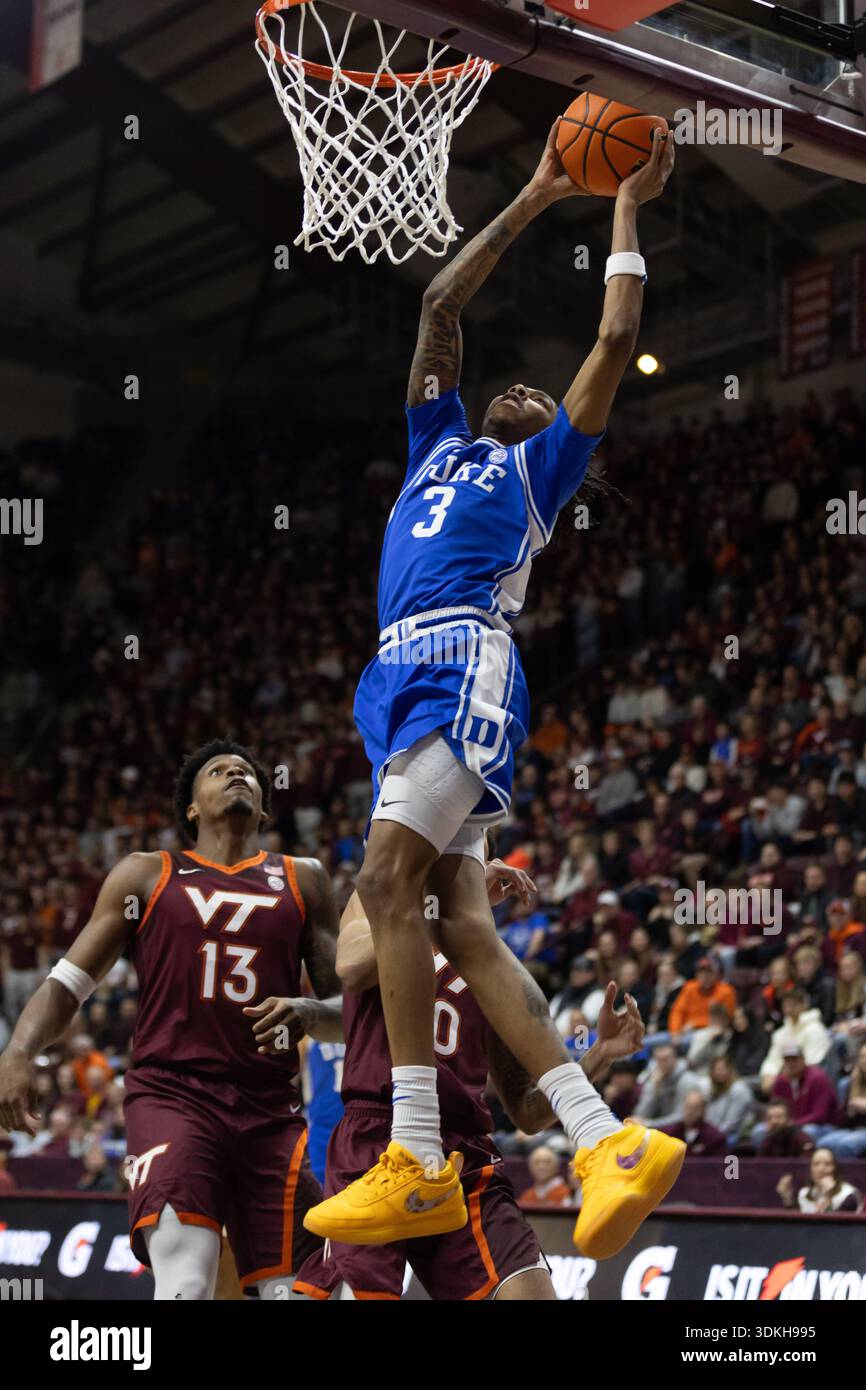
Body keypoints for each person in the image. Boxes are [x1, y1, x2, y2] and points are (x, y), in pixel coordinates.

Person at [307, 120, 682, 1252]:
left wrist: (620, 198)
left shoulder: (535, 472)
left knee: (382, 877)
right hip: (396, 676)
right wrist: (531, 189)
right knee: (456, 915)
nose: (517, 384)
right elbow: (437, 309)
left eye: (532, 390)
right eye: (505, 382)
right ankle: (600, 1134)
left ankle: (415, 1153)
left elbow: (614, 336)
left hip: (456, 654)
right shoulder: (434, 441)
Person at [0, 739, 340, 1301]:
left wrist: (309, 1010)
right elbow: (68, 982)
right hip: (173, 1096)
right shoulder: (146, 875)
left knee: (292, 1292)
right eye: (218, 770)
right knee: (186, 1276)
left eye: (247, 773)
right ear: (191, 807)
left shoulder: (304, 879)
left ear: (262, 807)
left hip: (270, 1110)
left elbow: (350, 1014)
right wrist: (17, 1052)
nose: (236, 774)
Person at [284, 861, 647, 1300]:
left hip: (464, 1150)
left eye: (478, 848)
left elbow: (528, 1111)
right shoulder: (377, 895)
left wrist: (600, 1054)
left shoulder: (491, 961)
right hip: (377, 1138)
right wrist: (436, 906)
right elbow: (353, 968)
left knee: (530, 1293)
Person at [760, 988, 831, 1089]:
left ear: (804, 1005)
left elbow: (813, 1063)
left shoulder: (815, 1029)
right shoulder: (781, 1032)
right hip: (780, 1079)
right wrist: (768, 1074)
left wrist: (784, 1077)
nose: (788, 1010)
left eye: (793, 1005)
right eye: (785, 1006)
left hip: (807, 1083)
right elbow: (773, 1059)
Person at [632, 1042, 705, 1129]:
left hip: (684, 1130)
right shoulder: (656, 1078)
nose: (662, 1064)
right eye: (659, 1060)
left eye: (665, 1059)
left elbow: (682, 1116)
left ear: (675, 1059)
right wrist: (653, 1088)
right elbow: (641, 1113)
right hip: (662, 1128)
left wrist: (649, 1124)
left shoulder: (687, 1081)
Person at [777, 1147, 862, 1213]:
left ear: (836, 1169)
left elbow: (836, 1229)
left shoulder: (848, 1195)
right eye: (816, 1164)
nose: (821, 1169)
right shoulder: (805, 1193)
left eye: (827, 1164)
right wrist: (787, 1200)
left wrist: (829, 1197)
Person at [668, 957, 735, 1039]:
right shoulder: (689, 988)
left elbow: (727, 1018)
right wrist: (675, 1031)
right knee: (651, 1041)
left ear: (716, 974)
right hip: (687, 1031)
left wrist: (696, 1023)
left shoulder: (725, 991)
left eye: (709, 972)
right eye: (702, 973)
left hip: (713, 1032)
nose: (705, 976)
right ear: (696, 975)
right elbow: (677, 1011)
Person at [821, 1042, 866, 1159]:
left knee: (845, 1145)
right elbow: (842, 1120)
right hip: (855, 1129)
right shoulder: (852, 1083)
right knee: (825, 1143)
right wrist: (848, 1111)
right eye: (862, 1056)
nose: (864, 1060)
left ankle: (848, 1177)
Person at [704, 1056, 755, 1147]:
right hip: (717, 1132)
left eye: (722, 1069)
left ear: (730, 1070)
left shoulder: (739, 1089)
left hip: (738, 1133)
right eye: (716, 1069)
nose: (719, 1072)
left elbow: (732, 1123)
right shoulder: (713, 1091)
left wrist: (712, 1135)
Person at [658, 1090, 726, 1156]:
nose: (690, 1112)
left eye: (695, 1108)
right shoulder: (668, 1134)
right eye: (688, 1107)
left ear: (704, 1110)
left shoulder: (714, 1137)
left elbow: (718, 1165)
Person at [517, 1145, 572, 1210]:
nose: (541, 1166)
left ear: (557, 1167)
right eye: (537, 1162)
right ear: (530, 1167)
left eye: (547, 1162)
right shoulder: (526, 1196)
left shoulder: (567, 1193)